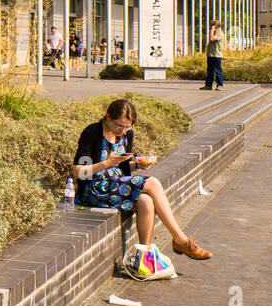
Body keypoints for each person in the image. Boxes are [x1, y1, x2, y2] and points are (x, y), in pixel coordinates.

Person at [73, 98, 212, 260]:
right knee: (152, 182)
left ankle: (143, 256)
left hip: (117, 186)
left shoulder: (126, 135)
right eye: (119, 125)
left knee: (146, 201)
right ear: (107, 117)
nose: (123, 130)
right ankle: (180, 239)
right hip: (94, 189)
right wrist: (106, 163)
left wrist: (137, 165)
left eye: (127, 126)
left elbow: (122, 170)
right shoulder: (92, 133)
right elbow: (79, 173)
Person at [201, 21, 224, 91]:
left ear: (216, 27)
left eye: (213, 26)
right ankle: (208, 85)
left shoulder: (220, 33)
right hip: (211, 55)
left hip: (216, 55)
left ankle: (220, 85)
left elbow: (212, 39)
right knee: (210, 71)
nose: (211, 28)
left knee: (218, 71)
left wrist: (211, 31)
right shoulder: (214, 33)